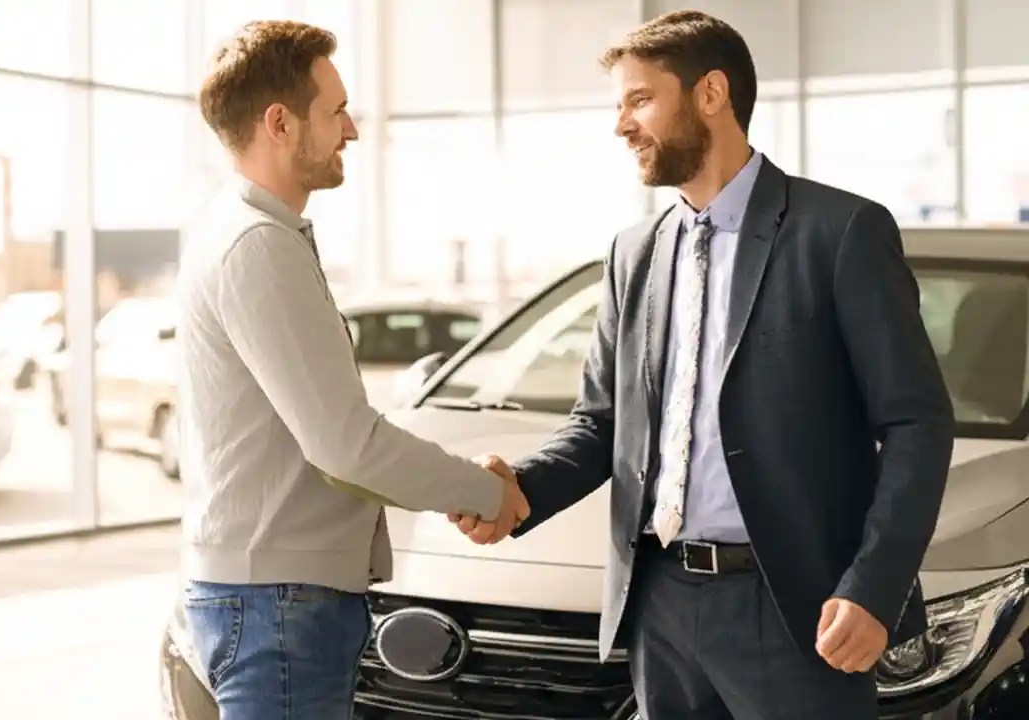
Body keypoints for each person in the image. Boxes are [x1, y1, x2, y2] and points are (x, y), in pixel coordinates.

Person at [451, 10, 955, 719]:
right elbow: (602, 425)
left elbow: (917, 423)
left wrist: (875, 586)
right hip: (660, 604)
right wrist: (519, 491)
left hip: (793, 611)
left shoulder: (839, 233)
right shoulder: (634, 253)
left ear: (711, 94)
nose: (621, 124)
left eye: (639, 100)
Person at [174, 20, 528, 719]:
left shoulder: (248, 232)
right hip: (278, 608)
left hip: (269, 599)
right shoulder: (257, 246)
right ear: (279, 123)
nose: (353, 131)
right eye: (335, 111)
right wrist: (487, 495)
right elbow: (344, 444)